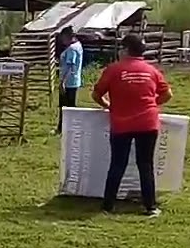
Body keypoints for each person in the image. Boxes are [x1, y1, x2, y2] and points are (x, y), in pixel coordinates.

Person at [92, 34, 173, 216]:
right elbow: (168, 94)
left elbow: (96, 95)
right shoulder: (151, 71)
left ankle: (108, 205)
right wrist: (151, 105)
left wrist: (109, 106)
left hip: (122, 123)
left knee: (117, 164)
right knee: (145, 165)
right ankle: (150, 207)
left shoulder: (113, 70)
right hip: (148, 123)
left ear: (126, 50)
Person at [57, 26, 83, 134]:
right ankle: (66, 127)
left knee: (66, 106)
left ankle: (64, 128)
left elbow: (70, 66)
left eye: (63, 38)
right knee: (69, 105)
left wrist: (63, 81)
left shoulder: (72, 49)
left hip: (69, 82)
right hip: (73, 81)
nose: (62, 41)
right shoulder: (78, 46)